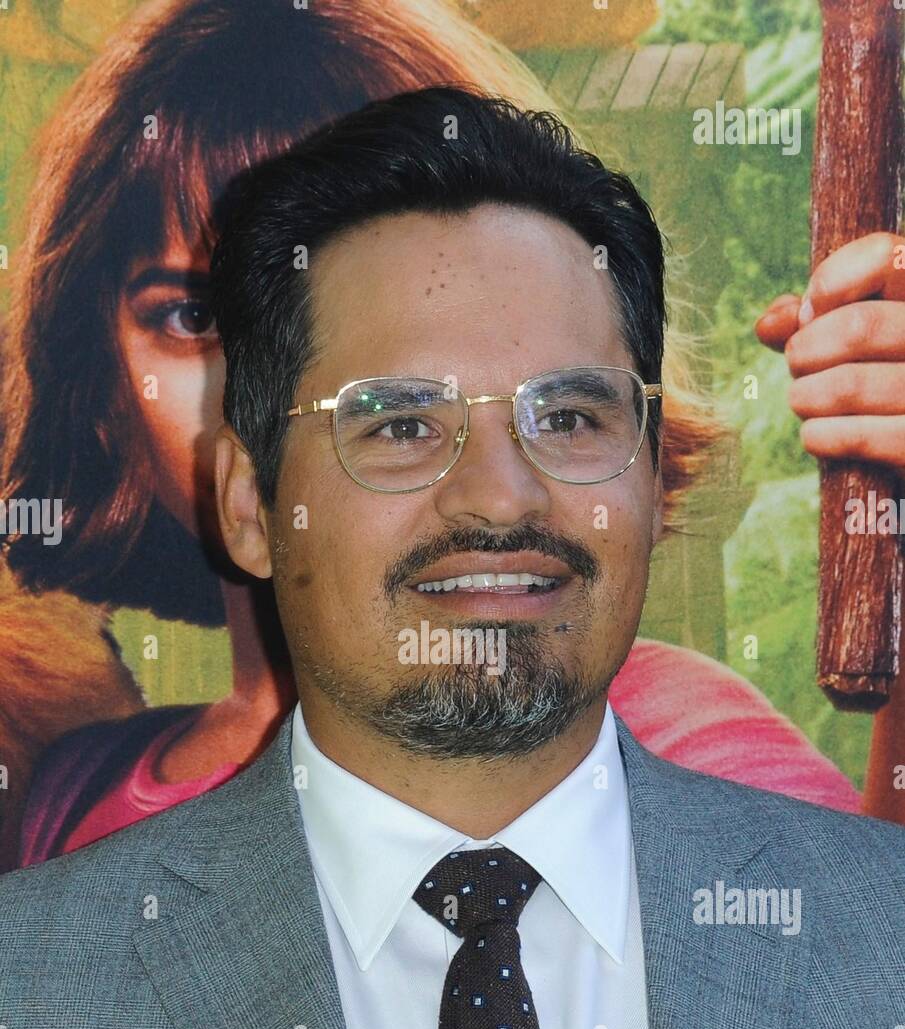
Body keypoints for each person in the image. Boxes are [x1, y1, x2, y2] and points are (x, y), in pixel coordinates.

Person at [2, 86, 903, 1029]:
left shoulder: (875, 946)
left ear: (646, 472)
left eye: (571, 415)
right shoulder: (35, 1000)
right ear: (250, 505)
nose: (500, 497)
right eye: (398, 425)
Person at [0, 0, 864, 875]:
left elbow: (852, 962)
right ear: (99, 386)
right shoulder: (66, 799)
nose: (276, 378)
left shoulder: (660, 732)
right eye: (192, 316)